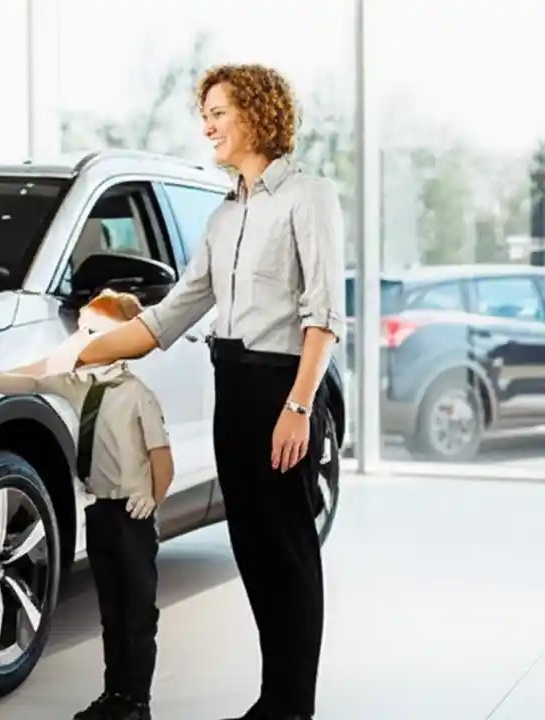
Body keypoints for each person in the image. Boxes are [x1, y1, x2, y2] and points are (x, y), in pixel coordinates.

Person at [75, 64, 345, 720]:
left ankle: (291, 709)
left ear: (256, 114)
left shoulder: (308, 196)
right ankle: (273, 699)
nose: (208, 125)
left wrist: (300, 407)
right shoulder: (226, 215)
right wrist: (74, 353)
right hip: (231, 387)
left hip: (280, 386)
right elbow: (173, 312)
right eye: (208, 112)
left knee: (288, 550)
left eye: (219, 112)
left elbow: (325, 316)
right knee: (251, 547)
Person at [0, 291, 173, 720]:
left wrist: (151, 497)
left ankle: (137, 701)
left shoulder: (139, 396)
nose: (82, 340)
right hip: (99, 512)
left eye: (93, 331)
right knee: (112, 613)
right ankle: (114, 696)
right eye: (80, 329)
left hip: (132, 517)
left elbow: (161, 459)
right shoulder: (77, 385)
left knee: (137, 613)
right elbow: (24, 380)